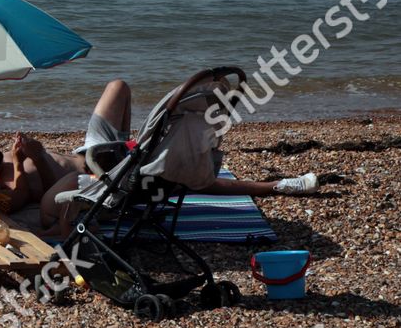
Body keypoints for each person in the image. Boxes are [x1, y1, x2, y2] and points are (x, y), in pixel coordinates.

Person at [36, 79, 320, 237]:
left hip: (102, 150)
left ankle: (145, 150)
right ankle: (279, 185)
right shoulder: (12, 184)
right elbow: (46, 197)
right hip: (104, 174)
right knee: (198, 180)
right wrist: (34, 157)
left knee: (118, 86)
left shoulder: (2, 156)